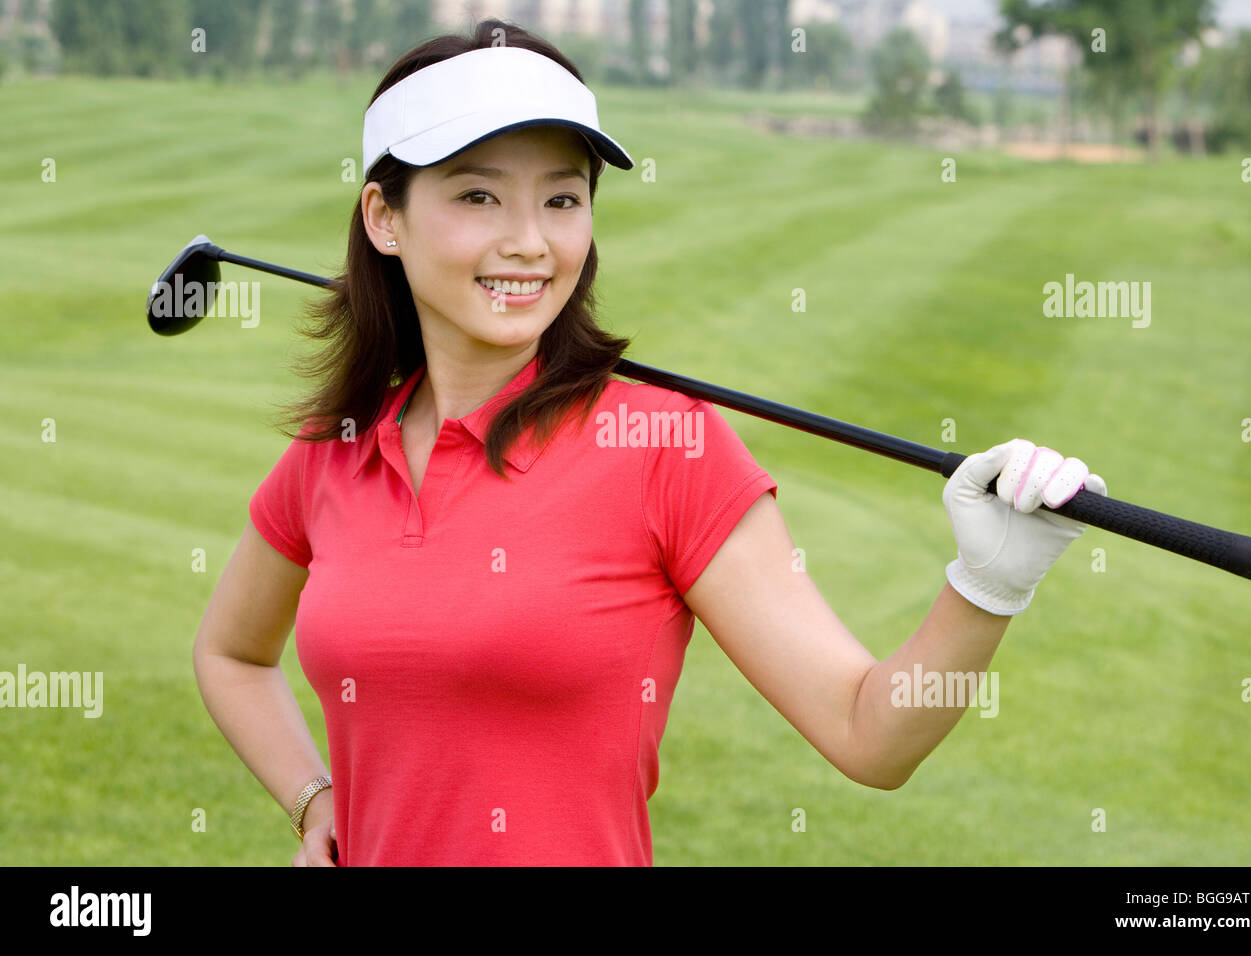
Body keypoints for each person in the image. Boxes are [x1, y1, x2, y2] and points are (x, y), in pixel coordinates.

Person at [192, 19, 1106, 868]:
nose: (530, 242)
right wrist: (316, 800)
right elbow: (231, 654)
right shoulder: (336, 452)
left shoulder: (666, 448)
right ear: (383, 217)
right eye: (478, 196)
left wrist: (987, 585)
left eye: (563, 198)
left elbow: (870, 735)